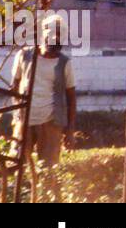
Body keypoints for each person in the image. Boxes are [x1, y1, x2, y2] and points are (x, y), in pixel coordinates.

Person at [9, 14, 77, 184]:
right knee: (16, 167)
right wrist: (18, 114)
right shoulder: (24, 56)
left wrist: (69, 131)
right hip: (24, 121)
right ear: (43, 36)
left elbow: (71, 98)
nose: (52, 51)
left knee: (49, 173)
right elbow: (14, 86)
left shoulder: (65, 63)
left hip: (51, 123)